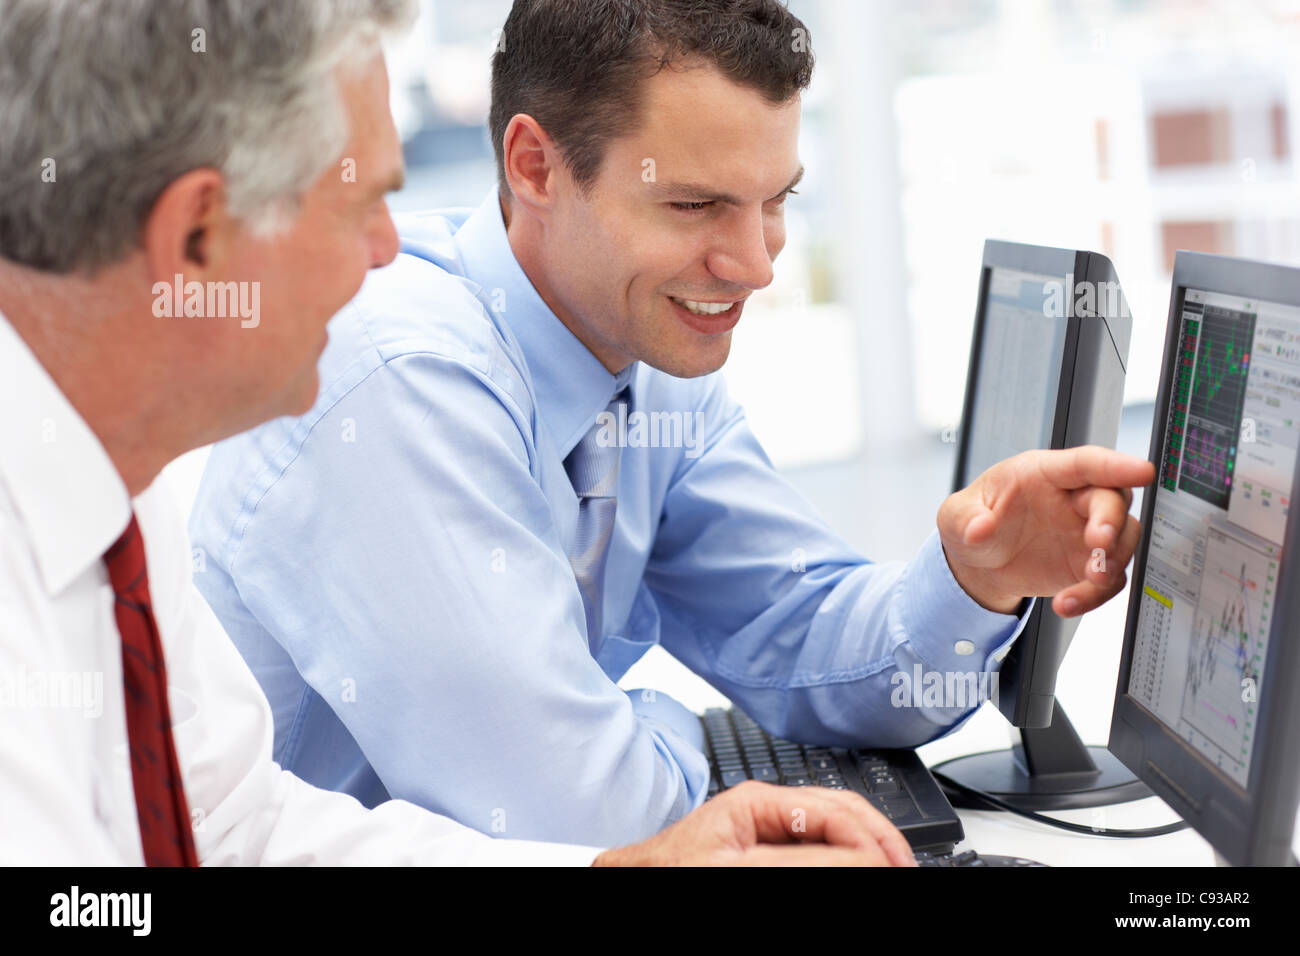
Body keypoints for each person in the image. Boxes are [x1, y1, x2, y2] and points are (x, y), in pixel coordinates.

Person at [189, 0, 1155, 847]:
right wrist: (673, 726)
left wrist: (973, 579)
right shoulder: (400, 381)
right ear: (536, 166)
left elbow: (808, 641)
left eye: (775, 202)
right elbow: (591, 825)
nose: (757, 263)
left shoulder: (639, 355)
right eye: (696, 204)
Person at [0, 0, 916, 868]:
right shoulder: (387, 367)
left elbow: (241, 826)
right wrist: (672, 749)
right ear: (197, 239)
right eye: (355, 206)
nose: (387, 249)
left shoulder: (113, 500)